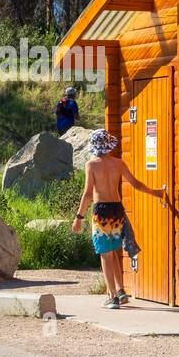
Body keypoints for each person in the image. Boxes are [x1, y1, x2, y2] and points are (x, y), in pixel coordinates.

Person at [71, 129, 168, 309]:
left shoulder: (91, 165)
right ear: (109, 145)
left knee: (105, 254)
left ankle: (113, 297)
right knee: (113, 252)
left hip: (101, 210)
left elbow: (87, 194)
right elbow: (136, 184)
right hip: (117, 210)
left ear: (94, 147)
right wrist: (156, 193)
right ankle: (121, 291)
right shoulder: (118, 163)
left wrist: (79, 217)